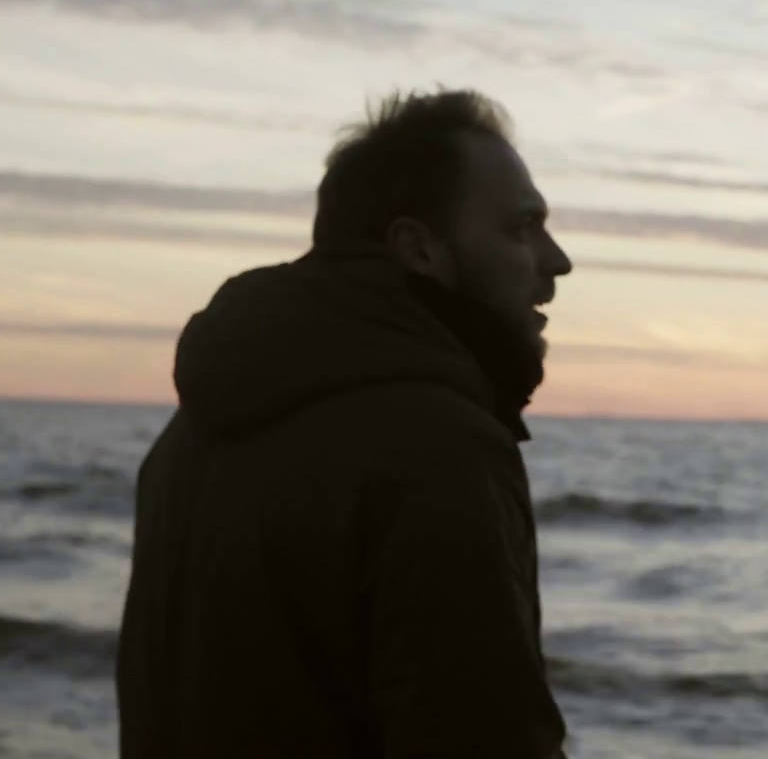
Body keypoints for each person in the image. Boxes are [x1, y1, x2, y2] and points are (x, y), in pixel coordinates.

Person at [117, 88, 574, 758]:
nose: (555, 261)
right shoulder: (436, 445)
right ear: (418, 248)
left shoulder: (190, 438)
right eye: (519, 228)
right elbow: (481, 735)